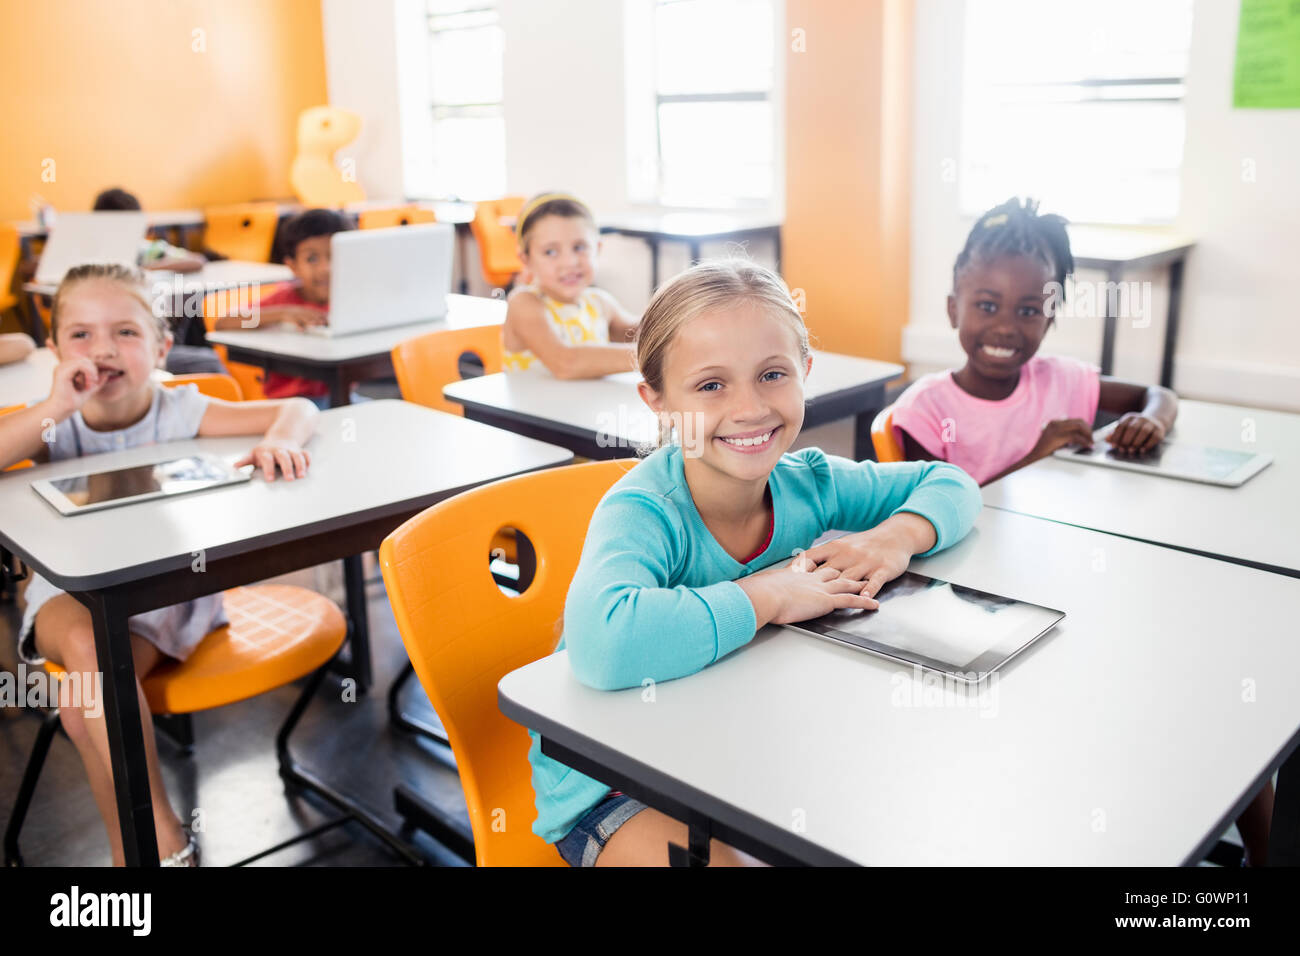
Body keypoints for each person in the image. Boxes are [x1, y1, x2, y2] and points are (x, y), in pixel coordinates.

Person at [528, 260, 982, 866]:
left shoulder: (809, 482)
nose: (749, 409)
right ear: (658, 401)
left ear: (805, 375)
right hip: (611, 784)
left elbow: (949, 483)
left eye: (772, 375)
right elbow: (603, 644)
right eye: (711, 386)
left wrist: (896, 537)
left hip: (748, 753)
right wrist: (769, 596)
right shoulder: (645, 510)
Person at [0, 263, 318, 865]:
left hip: (165, 594)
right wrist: (56, 403)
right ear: (54, 349)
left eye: (125, 333)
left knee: (79, 703)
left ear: (161, 346)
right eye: (81, 336)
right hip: (68, 599)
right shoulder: (52, 425)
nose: (103, 350)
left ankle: (136, 861)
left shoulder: (178, 411)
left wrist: (283, 441)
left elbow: (299, 408)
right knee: (93, 650)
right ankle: (168, 841)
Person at [890, 197, 1178, 486]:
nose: (1005, 328)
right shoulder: (926, 411)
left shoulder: (1061, 380)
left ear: (1049, 320)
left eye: (1028, 311)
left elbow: (1158, 395)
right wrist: (1036, 457)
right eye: (988, 306)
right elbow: (939, 509)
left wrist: (1152, 421)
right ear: (953, 310)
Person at [213, 208, 351, 405]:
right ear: (292, 265)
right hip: (290, 402)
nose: (325, 268)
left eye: (334, 256)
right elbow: (224, 322)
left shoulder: (351, 298)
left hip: (340, 395)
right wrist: (283, 313)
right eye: (312, 259)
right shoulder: (285, 298)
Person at [501, 192, 639, 378]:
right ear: (526, 260)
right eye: (550, 252)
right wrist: (651, 356)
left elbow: (642, 332)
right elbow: (565, 362)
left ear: (597, 249)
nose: (569, 262)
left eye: (579, 247)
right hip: (533, 407)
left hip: (586, 406)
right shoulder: (524, 303)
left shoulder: (599, 302)